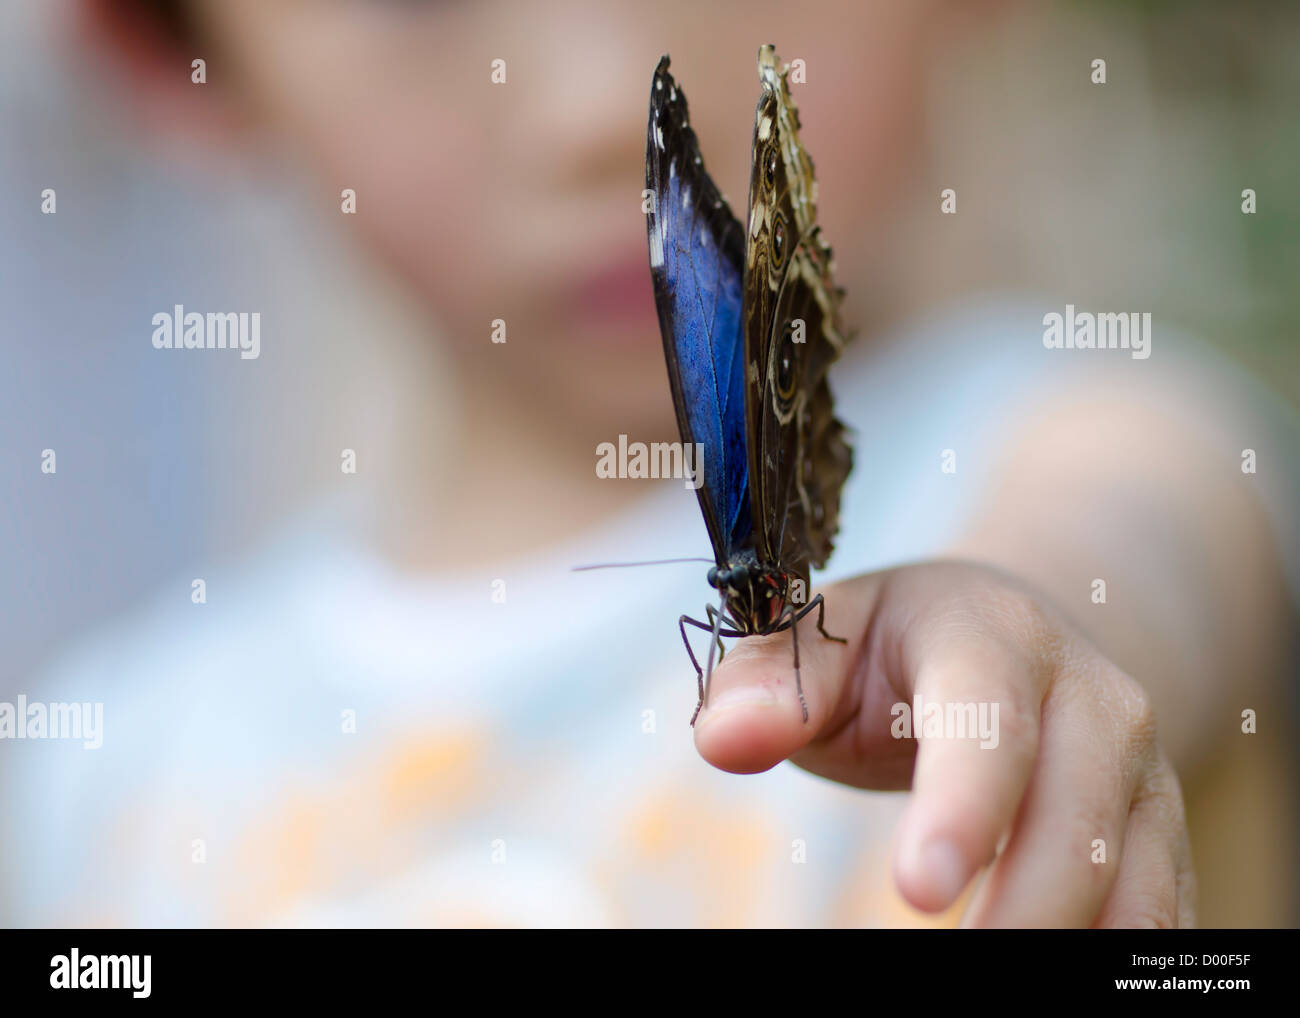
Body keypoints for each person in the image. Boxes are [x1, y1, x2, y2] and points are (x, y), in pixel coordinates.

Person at [3, 0, 1295, 927]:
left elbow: (1138, 542)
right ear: (179, 54)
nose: (592, 107)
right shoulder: (108, 757)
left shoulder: (1071, 430)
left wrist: (1022, 623)